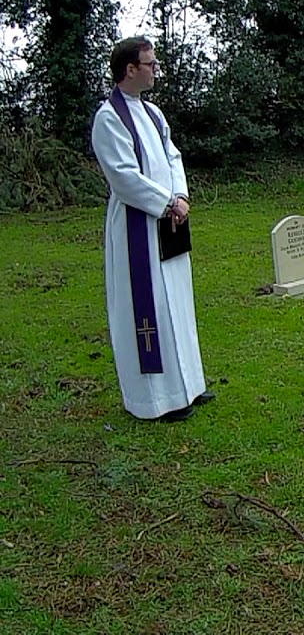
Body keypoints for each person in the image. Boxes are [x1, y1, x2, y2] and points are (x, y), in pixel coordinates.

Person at [91, 36, 213, 422]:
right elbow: (123, 176)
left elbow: (172, 157)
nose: (156, 69)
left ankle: (188, 385)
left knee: (176, 301)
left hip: (169, 221)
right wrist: (166, 203)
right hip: (138, 227)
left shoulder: (154, 113)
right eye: (150, 64)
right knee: (149, 310)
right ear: (130, 69)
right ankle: (156, 400)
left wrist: (181, 196)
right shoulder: (109, 118)